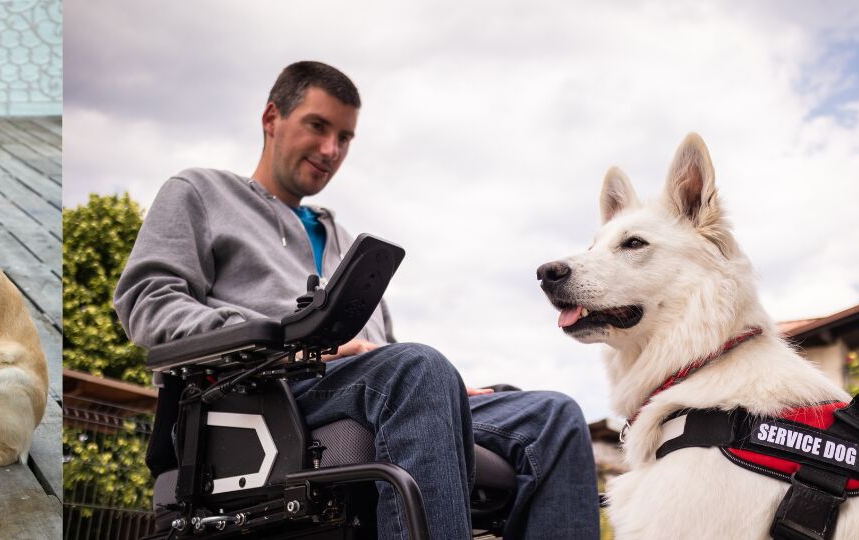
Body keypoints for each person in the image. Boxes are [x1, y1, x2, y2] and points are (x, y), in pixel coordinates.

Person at [114, 61, 599, 540]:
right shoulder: (200, 193)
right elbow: (148, 303)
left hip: (371, 388)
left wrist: (444, 387)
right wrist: (294, 343)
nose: (330, 149)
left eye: (344, 138)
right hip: (264, 390)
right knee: (418, 370)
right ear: (271, 119)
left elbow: (385, 353)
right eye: (318, 126)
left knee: (552, 416)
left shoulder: (346, 241)